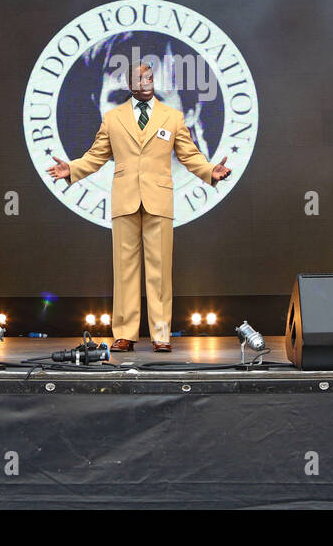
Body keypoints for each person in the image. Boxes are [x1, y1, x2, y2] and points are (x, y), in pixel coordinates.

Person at [47, 63, 231, 352]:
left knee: (160, 270)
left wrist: (210, 172)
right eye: (138, 77)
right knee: (125, 270)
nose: (144, 81)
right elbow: (95, 156)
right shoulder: (113, 118)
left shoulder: (172, 116)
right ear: (129, 82)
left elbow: (189, 154)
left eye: (148, 76)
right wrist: (70, 169)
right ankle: (125, 333)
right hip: (125, 198)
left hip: (158, 198)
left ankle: (161, 335)